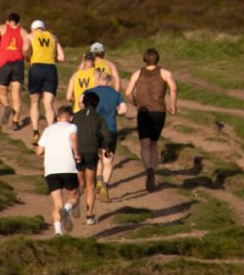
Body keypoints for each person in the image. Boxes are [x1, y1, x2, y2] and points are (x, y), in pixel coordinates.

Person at [125, 49, 178, 193]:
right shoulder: (165, 73)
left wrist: (135, 102)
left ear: (145, 59)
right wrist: (173, 105)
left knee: (144, 144)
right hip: (159, 111)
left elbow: (128, 92)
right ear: (157, 59)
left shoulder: (137, 73)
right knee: (154, 143)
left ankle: (148, 168)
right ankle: (153, 171)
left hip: (143, 112)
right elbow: (173, 88)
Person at [37, 107, 82, 235]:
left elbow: (39, 151)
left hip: (50, 169)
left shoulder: (48, 129)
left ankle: (58, 232)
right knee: (74, 196)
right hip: (67, 167)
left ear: (58, 118)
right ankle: (67, 210)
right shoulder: (72, 127)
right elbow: (73, 137)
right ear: (71, 118)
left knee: (57, 203)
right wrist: (76, 153)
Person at [89, 72, 126, 202]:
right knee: (107, 159)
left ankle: (98, 180)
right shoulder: (116, 94)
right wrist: (114, 111)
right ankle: (105, 187)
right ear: (109, 82)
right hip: (110, 129)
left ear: (98, 81)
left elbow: (81, 102)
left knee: (97, 156)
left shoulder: (90, 92)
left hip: (94, 129)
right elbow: (123, 110)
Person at [0, 11, 29, 129]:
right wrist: (27, 57)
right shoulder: (23, 31)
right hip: (18, 64)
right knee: (16, 94)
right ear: (18, 21)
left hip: (4, 64)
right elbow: (27, 47)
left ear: (8, 21)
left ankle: (7, 107)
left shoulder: (1, 28)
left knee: (2, 92)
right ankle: (16, 122)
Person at [74, 90, 109, 224]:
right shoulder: (99, 118)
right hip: (91, 153)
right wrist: (106, 149)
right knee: (90, 185)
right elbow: (107, 136)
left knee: (80, 183)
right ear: (96, 104)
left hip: (77, 153)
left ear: (83, 102)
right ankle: (89, 216)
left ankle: (74, 203)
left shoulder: (75, 116)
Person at [26, 18, 66, 133]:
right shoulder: (53, 37)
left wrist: (27, 57)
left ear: (33, 29)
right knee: (49, 104)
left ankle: (35, 131)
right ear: (43, 28)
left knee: (34, 102)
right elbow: (62, 58)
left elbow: (25, 48)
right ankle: (51, 131)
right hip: (50, 69)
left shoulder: (30, 36)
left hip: (36, 68)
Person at [66, 41, 120, 116]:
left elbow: (69, 97)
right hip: (97, 106)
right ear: (103, 53)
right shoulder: (108, 65)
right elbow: (117, 80)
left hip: (78, 109)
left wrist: (80, 101)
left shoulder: (76, 74)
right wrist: (116, 96)